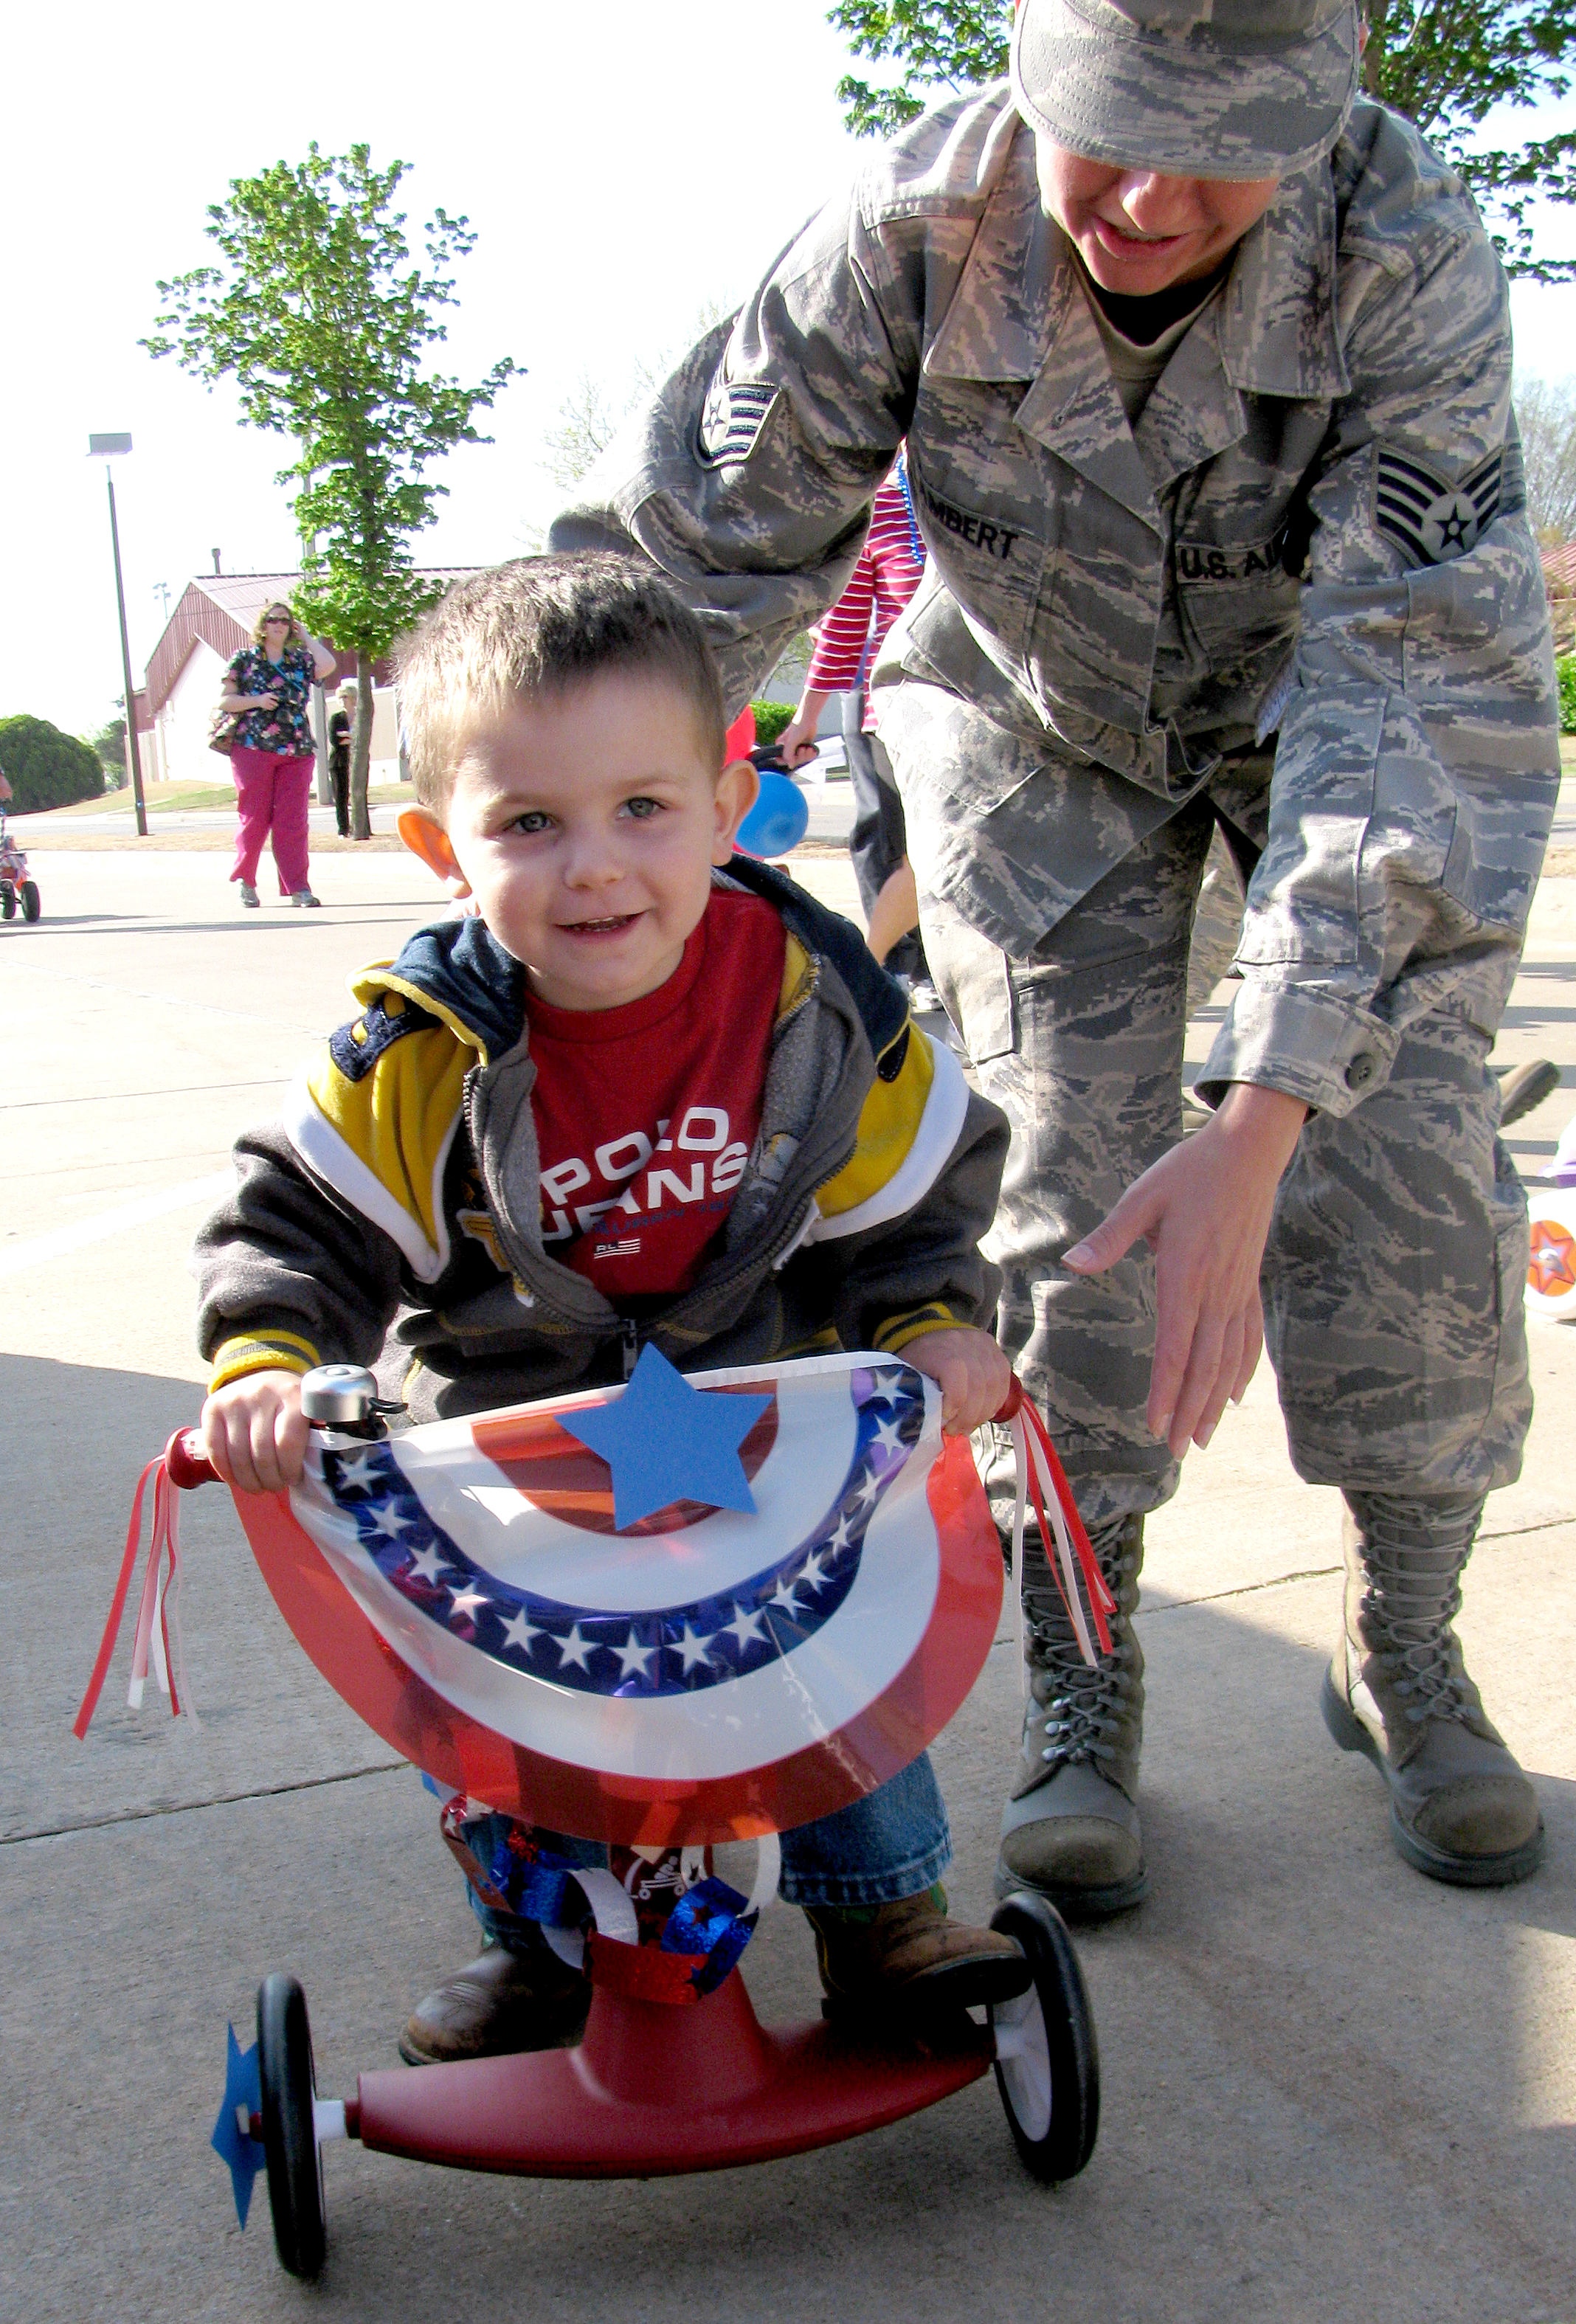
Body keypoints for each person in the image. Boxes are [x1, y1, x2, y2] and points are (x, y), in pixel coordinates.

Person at [550, 0, 1561, 1911]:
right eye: (1111, 129)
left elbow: (1408, 694)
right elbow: (671, 572)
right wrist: (532, 877)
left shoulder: (1404, 250)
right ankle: (1080, 1649)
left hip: (1329, 741)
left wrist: (1266, 1115)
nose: (1153, 194)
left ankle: (1404, 1638)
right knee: (1053, 1186)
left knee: (1413, 1162)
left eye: (1221, 141)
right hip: (1032, 731)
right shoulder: (912, 226)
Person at [193, 553, 1027, 2064]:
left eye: (644, 809)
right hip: (512, 1430)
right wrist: (272, 1360)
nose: (595, 868)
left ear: (727, 804)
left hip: (754, 1393)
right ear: (444, 843)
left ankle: (886, 1916)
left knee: (824, 1636)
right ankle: (543, 1945)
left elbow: (906, 1204)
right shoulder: (417, 1050)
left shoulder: (809, 999)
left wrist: (933, 1328)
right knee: (507, 1694)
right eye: (531, 824)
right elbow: (300, 1223)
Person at [774, 454, 932, 989]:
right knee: (888, 841)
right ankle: (887, 969)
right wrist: (806, 719)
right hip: (890, 701)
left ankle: (931, 966)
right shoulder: (881, 495)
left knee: (947, 847)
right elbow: (845, 619)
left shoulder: (990, 483)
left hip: (977, 708)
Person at [217, 600, 336, 907]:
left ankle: (298, 887)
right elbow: (225, 701)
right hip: (253, 747)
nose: (279, 625)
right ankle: (246, 881)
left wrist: (307, 636)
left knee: (292, 821)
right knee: (254, 817)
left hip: (296, 747)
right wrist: (257, 700)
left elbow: (328, 665)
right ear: (263, 625)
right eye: (273, 620)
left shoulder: (299, 660)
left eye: (285, 620)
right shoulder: (245, 660)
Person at [327, 682, 355, 840]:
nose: (343, 700)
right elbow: (335, 741)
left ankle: (358, 826)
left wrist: (346, 736)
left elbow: (362, 739)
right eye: (341, 697)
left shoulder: (360, 716)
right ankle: (343, 829)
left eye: (346, 697)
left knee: (357, 794)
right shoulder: (336, 718)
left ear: (353, 698)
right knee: (341, 796)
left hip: (356, 761)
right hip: (338, 762)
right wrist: (352, 737)